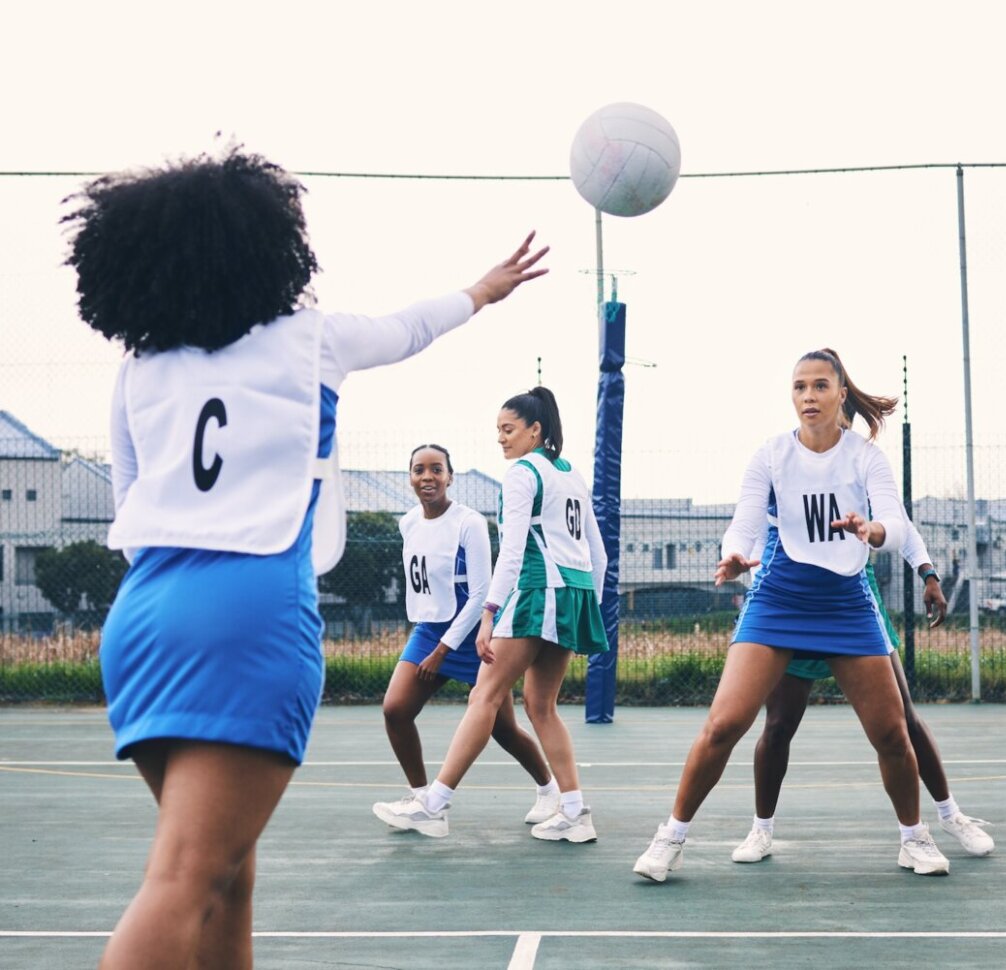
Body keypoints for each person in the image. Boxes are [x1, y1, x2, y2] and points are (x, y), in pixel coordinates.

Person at [62, 147, 548, 969]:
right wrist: (482, 291)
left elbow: (131, 503)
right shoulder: (310, 341)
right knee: (186, 876)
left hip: (142, 617)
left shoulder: (138, 369)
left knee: (227, 874)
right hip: (247, 608)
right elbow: (412, 325)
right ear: (268, 249)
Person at [633, 348, 951, 882]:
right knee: (724, 725)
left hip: (846, 603)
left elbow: (894, 523)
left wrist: (872, 531)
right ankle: (671, 837)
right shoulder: (772, 454)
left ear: (840, 393)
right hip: (779, 598)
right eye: (800, 387)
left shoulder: (865, 458)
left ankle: (915, 838)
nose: (809, 396)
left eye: (820, 386)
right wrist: (734, 554)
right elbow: (744, 521)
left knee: (893, 733)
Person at [374, 387, 609, 841]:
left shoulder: (522, 474)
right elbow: (596, 552)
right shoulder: (571, 473)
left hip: (538, 592)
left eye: (508, 429)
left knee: (484, 696)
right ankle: (575, 812)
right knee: (541, 708)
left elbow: (514, 551)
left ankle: (434, 804)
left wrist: (490, 614)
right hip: (574, 593)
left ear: (534, 430)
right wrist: (590, 606)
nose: (501, 439)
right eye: (498, 431)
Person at [732, 509, 995, 863]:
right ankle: (760, 830)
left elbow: (900, 525)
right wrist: (744, 565)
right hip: (792, 597)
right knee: (778, 725)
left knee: (903, 720)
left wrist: (929, 574)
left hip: (853, 596)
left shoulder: (860, 463)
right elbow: (752, 531)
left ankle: (950, 815)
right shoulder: (777, 464)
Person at [372, 443, 558, 830]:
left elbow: (480, 594)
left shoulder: (468, 522)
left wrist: (444, 649)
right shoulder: (408, 522)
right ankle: (424, 800)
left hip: (473, 633)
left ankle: (549, 789)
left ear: (450, 477)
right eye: (419, 470)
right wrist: (431, 637)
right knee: (395, 709)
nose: (428, 477)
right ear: (410, 477)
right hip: (429, 630)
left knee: (504, 730)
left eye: (436, 470)